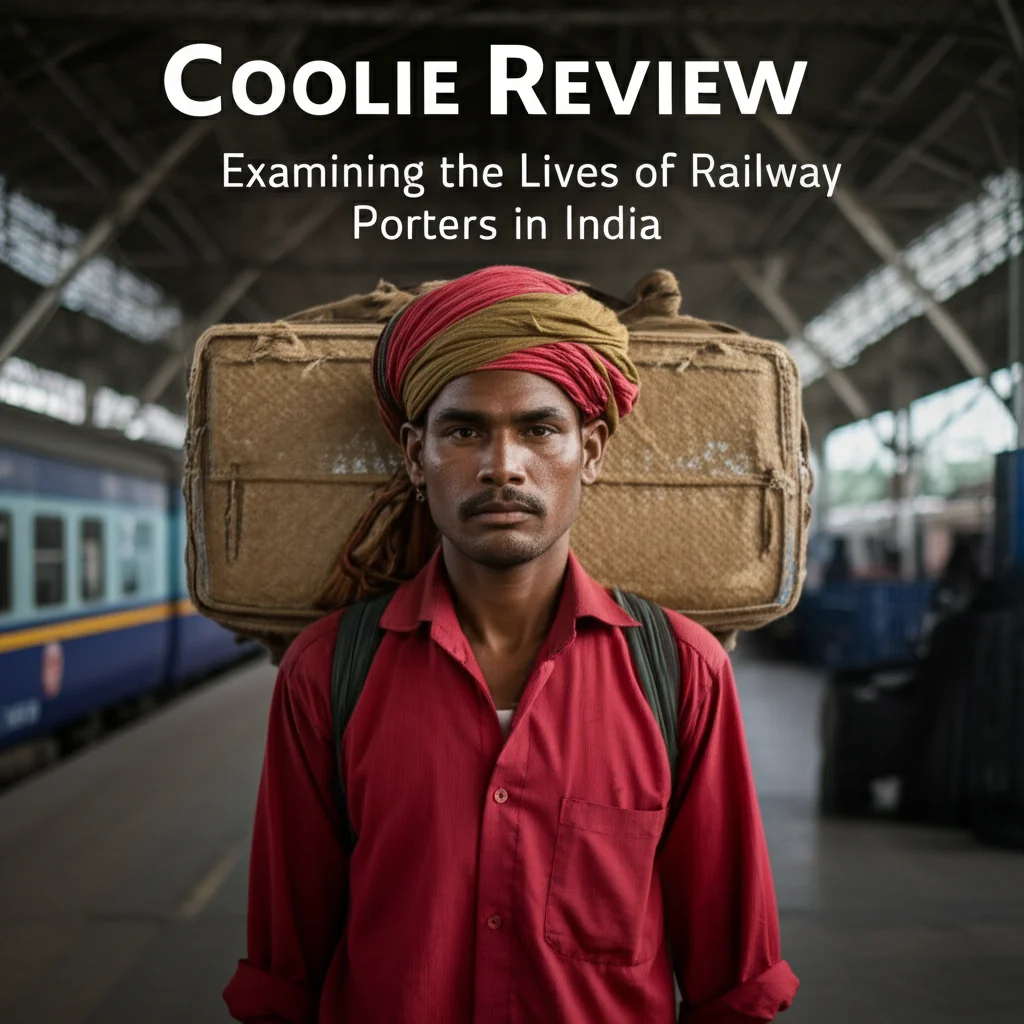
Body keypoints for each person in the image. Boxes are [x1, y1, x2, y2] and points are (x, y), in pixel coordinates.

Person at [223, 266, 798, 1023]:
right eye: (464, 431)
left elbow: (735, 987)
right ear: (414, 454)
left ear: (591, 451)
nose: (503, 466)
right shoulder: (327, 672)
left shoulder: (682, 674)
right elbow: (284, 980)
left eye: (539, 429)